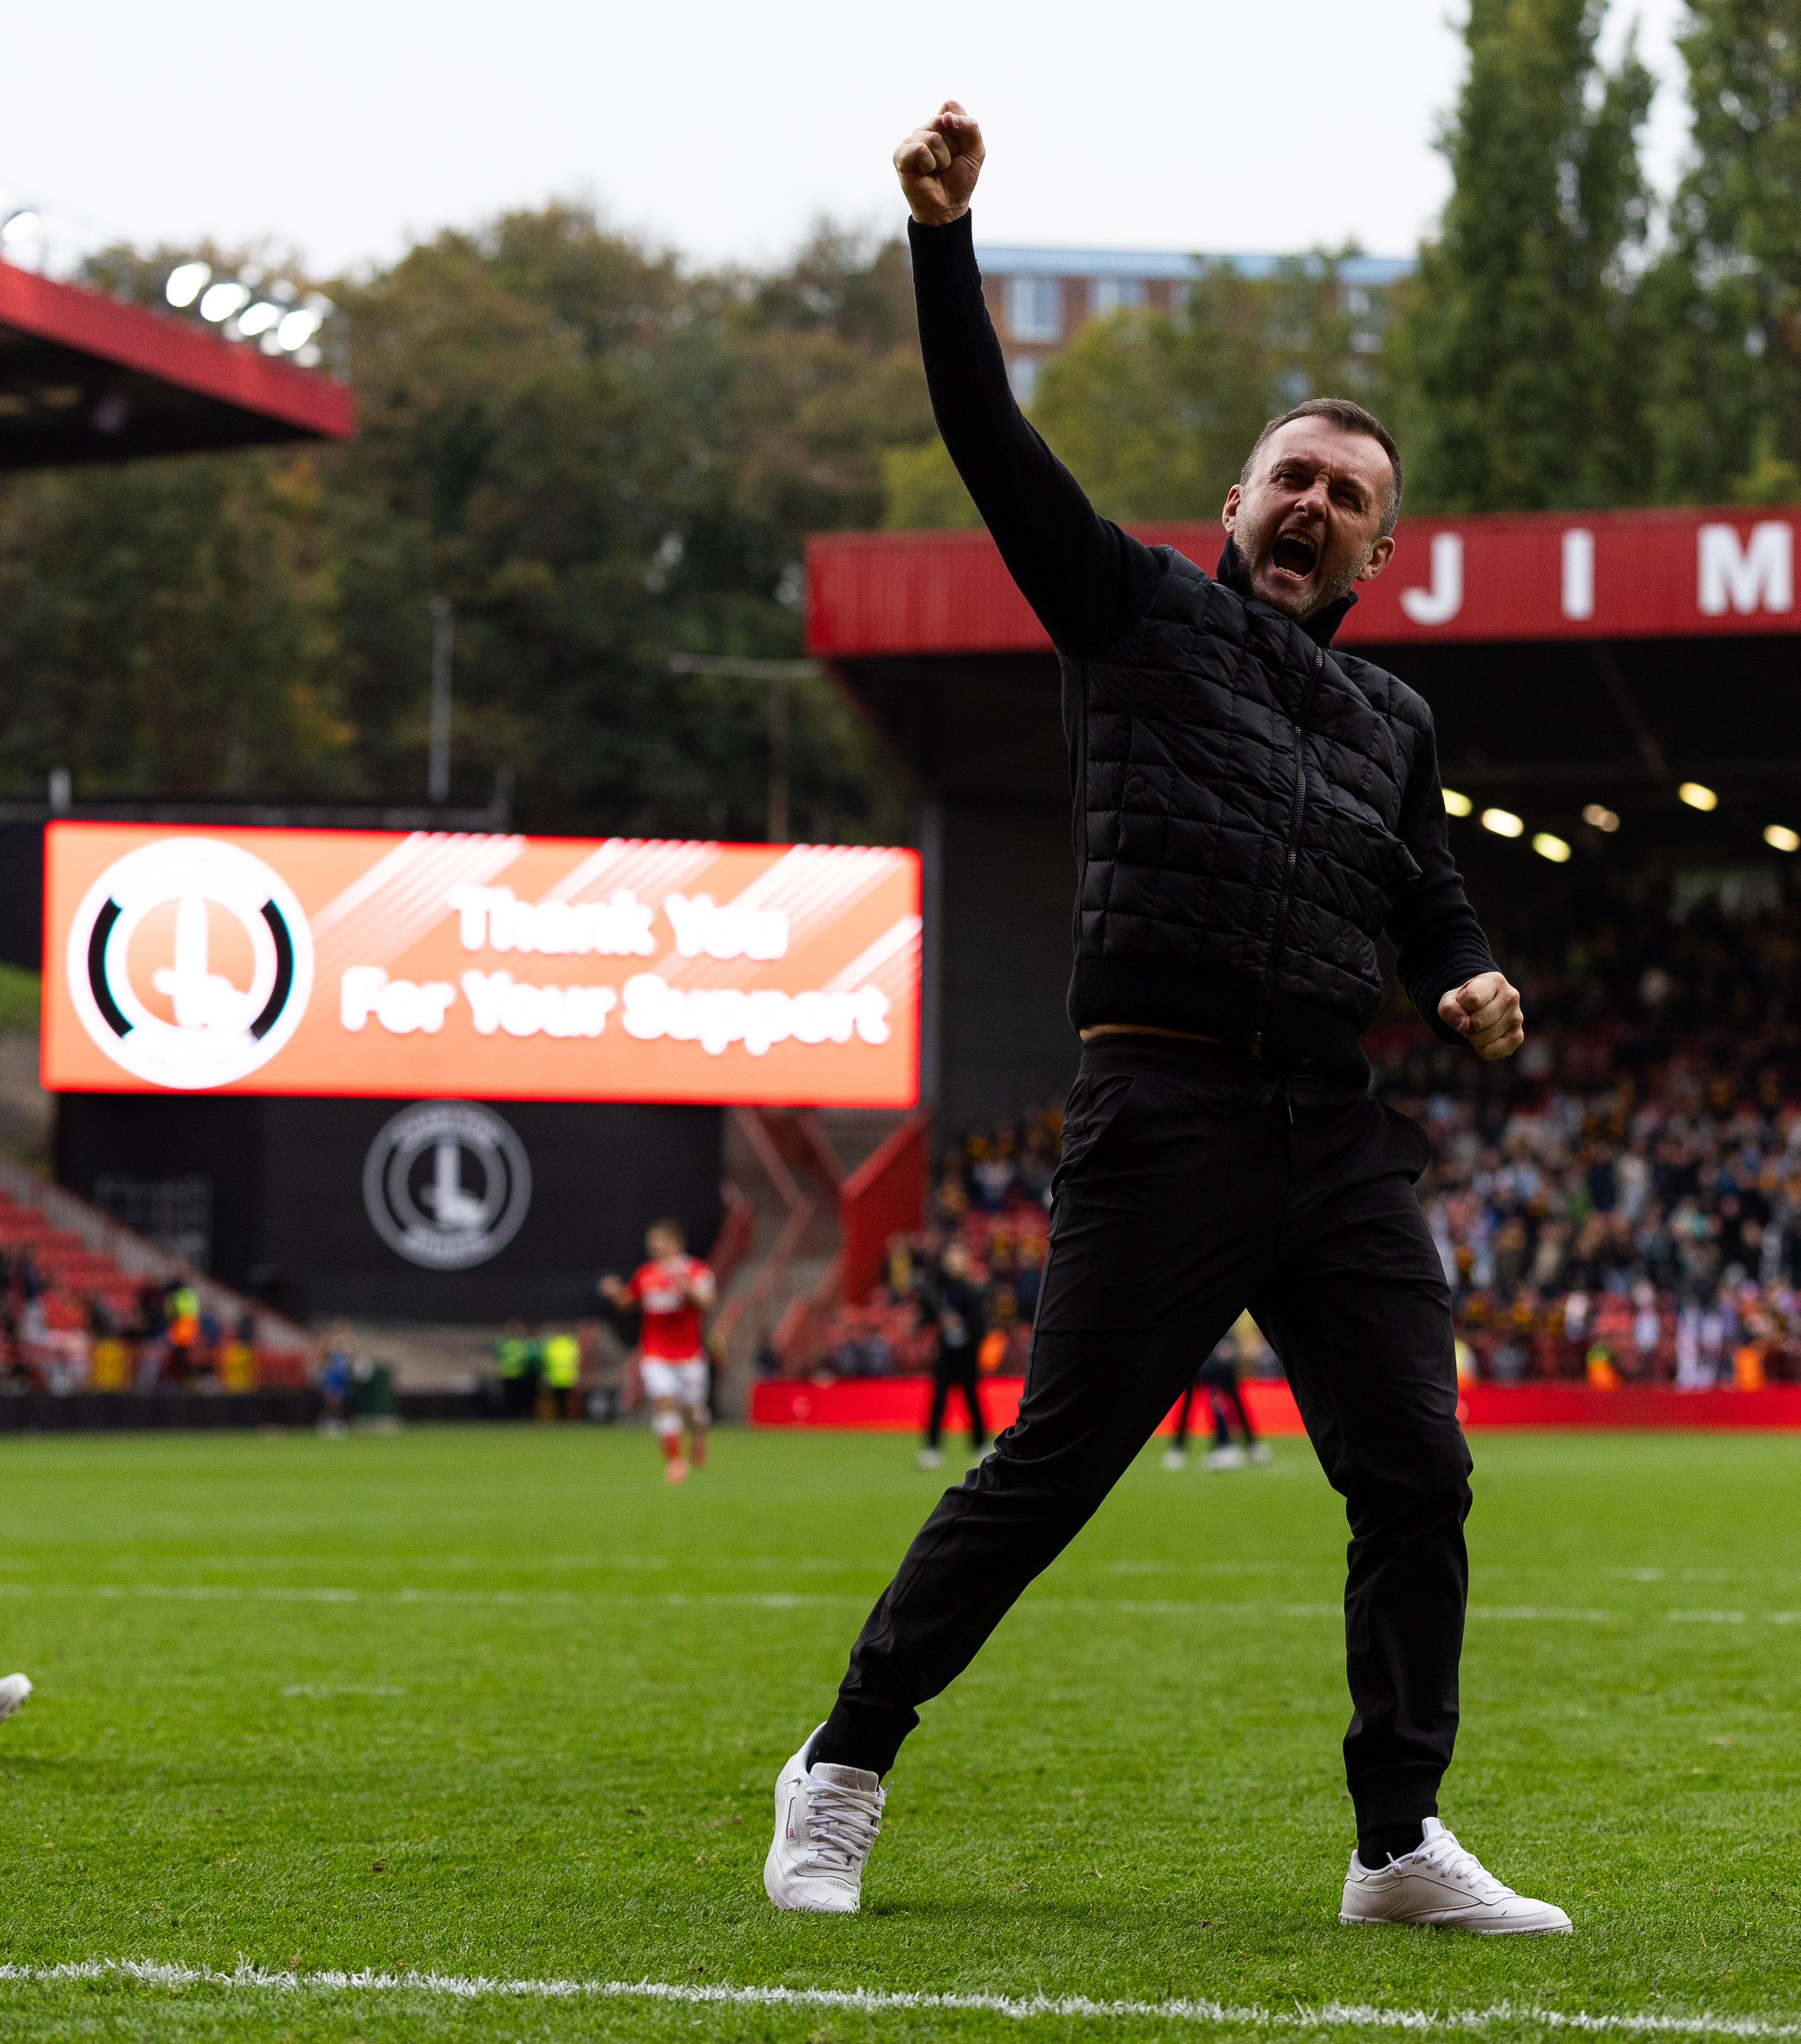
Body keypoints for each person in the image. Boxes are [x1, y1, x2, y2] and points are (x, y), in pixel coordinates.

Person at [762, 103, 1570, 1937]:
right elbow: (988, 442)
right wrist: (945, 247)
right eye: (1291, 474)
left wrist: (1469, 965)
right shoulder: (1128, 613)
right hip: (1166, 1107)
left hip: (1335, 1132)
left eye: (1348, 493)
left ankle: (1396, 1841)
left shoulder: (1397, 727)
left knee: (1420, 1471)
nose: (1314, 503)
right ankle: (846, 1758)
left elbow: (1423, 888)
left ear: (1378, 551)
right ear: (1233, 506)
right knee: (1057, 1464)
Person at [600, 1219, 717, 1483]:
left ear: (676, 1243)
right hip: (655, 1353)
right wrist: (614, 1293)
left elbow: (708, 1302)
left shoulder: (696, 1270)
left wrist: (686, 1288)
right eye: (651, 1244)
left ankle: (699, 1435)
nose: (653, 1249)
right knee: (664, 1402)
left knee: (693, 1411)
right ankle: (675, 1462)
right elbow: (628, 1302)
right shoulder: (647, 1274)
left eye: (659, 1243)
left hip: (689, 1354)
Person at [918, 1238, 989, 1470]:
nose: (955, 1261)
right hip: (946, 1356)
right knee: (938, 1401)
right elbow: (926, 1310)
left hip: (967, 1356)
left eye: (960, 1257)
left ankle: (980, 1445)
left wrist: (962, 1324)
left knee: (973, 1402)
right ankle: (932, 1448)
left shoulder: (973, 1289)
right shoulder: (938, 1287)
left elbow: (981, 1324)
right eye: (952, 1256)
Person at [1163, 1334, 1272, 1471]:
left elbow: (1229, 1345)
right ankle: (1182, 1448)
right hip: (1208, 1367)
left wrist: (1227, 1351)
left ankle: (1236, 1446)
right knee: (1194, 1406)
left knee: (1227, 1404)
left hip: (1220, 1369)